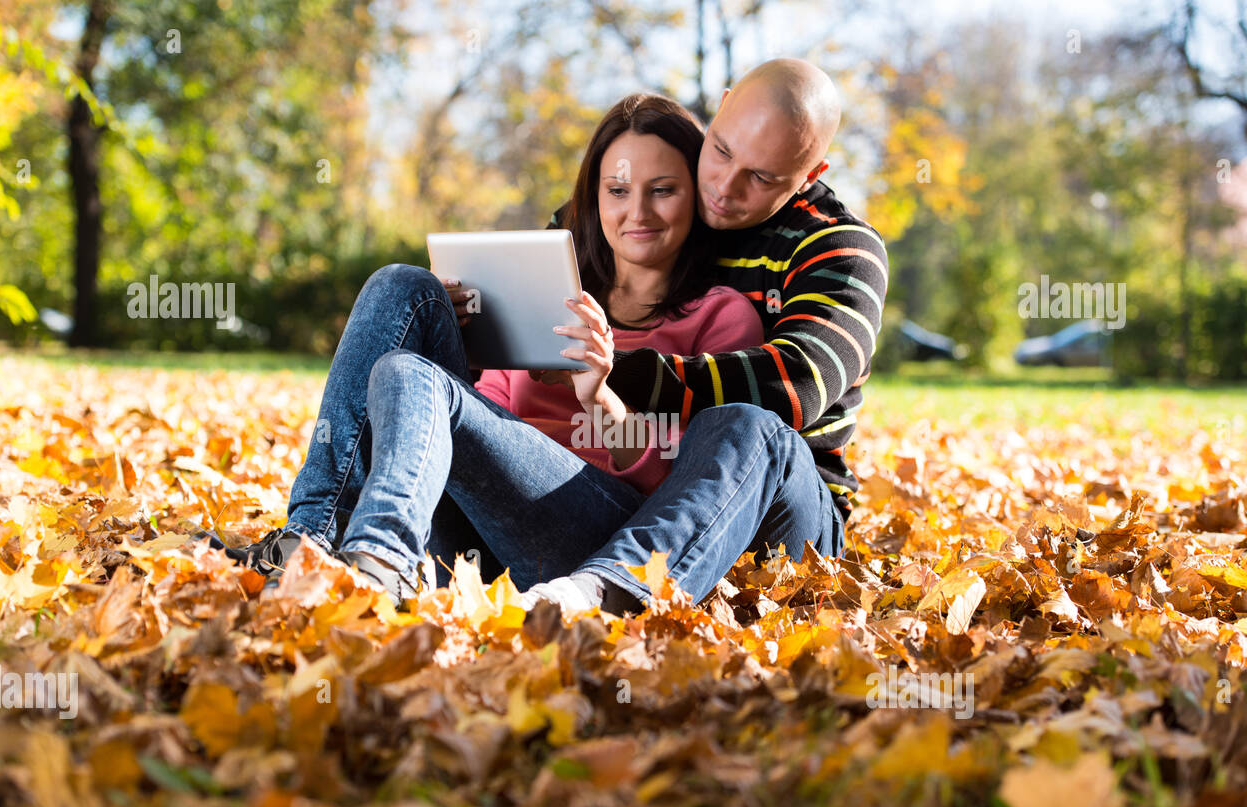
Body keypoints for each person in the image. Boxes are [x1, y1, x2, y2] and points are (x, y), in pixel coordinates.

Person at [227, 57, 888, 618]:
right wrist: (477, 323)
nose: (723, 185)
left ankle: (606, 590)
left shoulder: (834, 250)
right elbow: (502, 399)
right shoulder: (596, 236)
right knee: (405, 293)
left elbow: (792, 385)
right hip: (546, 504)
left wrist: (604, 378)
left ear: (807, 174)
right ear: (712, 120)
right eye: (718, 152)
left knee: (747, 425)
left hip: (777, 507)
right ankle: (315, 536)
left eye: (760, 178)